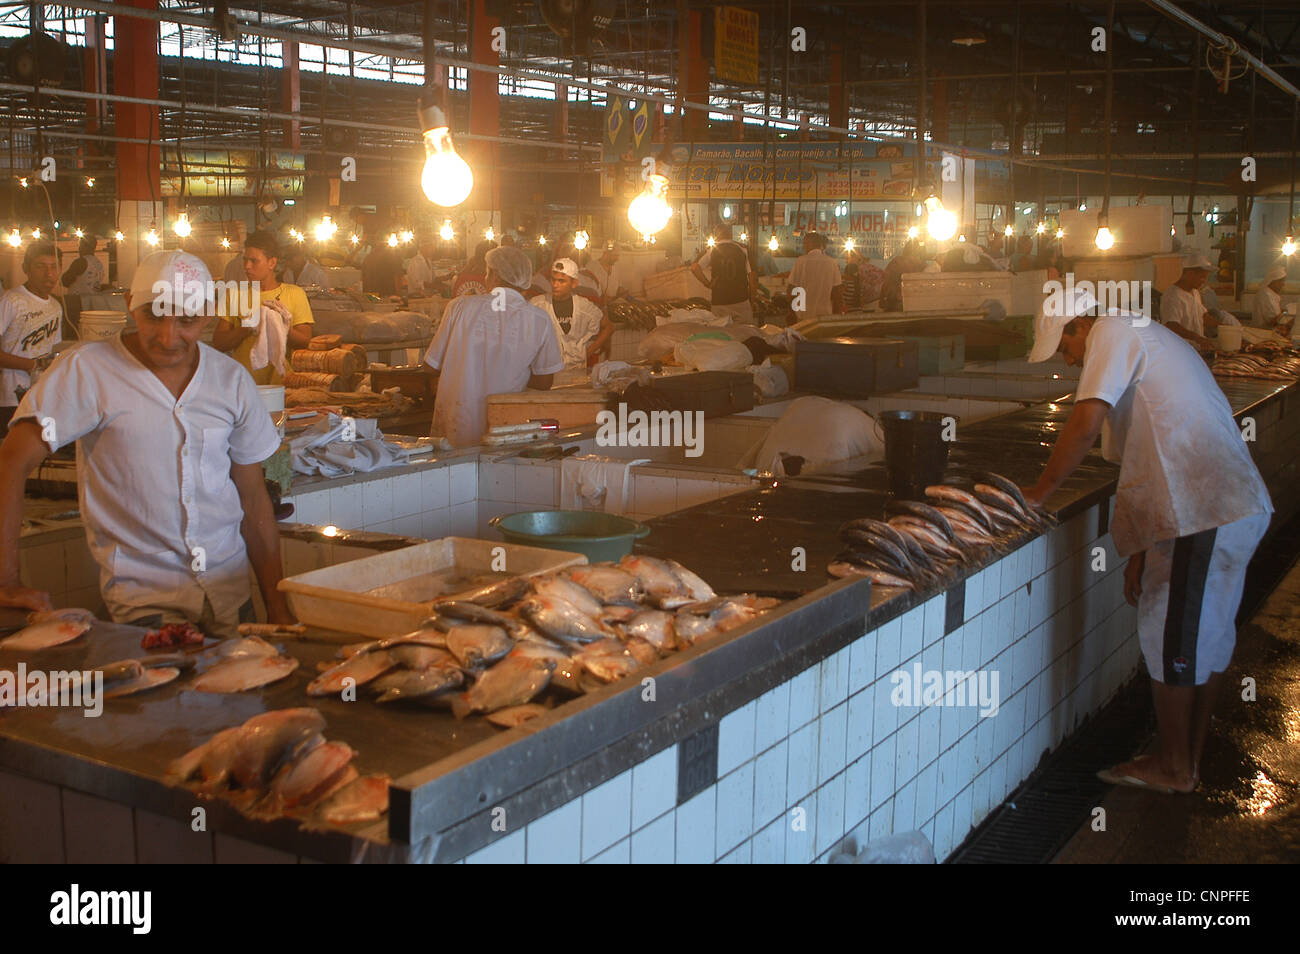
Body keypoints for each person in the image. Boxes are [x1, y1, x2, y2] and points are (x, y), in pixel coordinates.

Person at [1022, 285, 1271, 795]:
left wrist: (1038, 494)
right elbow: (1135, 467)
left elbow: (1085, 422)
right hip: (1228, 507)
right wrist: (1137, 552)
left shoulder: (1113, 332)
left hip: (1202, 512)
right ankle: (1187, 761)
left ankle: (1173, 768)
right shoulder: (1144, 338)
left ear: (1079, 327)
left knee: (1171, 639)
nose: (1069, 363)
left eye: (1065, 349)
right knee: (1204, 641)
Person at [0, 251, 294, 636]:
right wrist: (5, 581)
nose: (169, 337)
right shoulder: (88, 370)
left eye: (187, 320)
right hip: (141, 606)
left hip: (231, 599)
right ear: (130, 306)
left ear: (208, 313)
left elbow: (253, 497)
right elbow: (10, 462)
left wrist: (277, 605)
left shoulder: (230, 380)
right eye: (154, 316)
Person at [423, 245, 563, 447]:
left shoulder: (460, 307)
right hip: (504, 429)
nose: (485, 278)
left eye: (487, 273)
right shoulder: (539, 319)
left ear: (496, 276)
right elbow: (544, 382)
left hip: (456, 426)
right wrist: (511, 373)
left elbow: (431, 366)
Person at [211, 230, 315, 385]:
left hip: (282, 384)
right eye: (245, 260)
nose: (247, 266)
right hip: (244, 383)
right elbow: (218, 342)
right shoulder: (235, 295)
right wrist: (247, 328)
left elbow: (305, 341)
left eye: (254, 261)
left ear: (272, 263)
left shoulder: (294, 294)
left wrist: (283, 326)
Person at [0, 242, 62, 436]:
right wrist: (33, 365)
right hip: (12, 397)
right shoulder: (12, 301)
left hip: (43, 396)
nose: (49, 274)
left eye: (54, 266)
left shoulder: (56, 306)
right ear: (26, 268)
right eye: (40, 266)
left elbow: (53, 350)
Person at [531, 258, 611, 368]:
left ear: (574, 283)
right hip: (547, 372)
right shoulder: (538, 304)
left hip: (576, 373)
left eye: (561, 281)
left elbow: (608, 327)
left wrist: (587, 353)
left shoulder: (584, 307)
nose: (555, 285)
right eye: (553, 280)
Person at [690, 224, 758, 324]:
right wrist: (752, 300)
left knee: (721, 336)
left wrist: (707, 284)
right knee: (746, 334)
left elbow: (695, 267)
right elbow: (753, 277)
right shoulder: (743, 249)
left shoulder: (712, 249)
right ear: (731, 234)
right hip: (741, 301)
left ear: (716, 234)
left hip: (719, 302)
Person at [1159, 253, 1217, 349]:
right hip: (1180, 351)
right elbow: (1171, 325)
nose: (1204, 281)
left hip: (1196, 349)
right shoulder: (1173, 295)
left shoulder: (1195, 293)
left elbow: (1203, 316)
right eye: (1202, 277)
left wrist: (1224, 327)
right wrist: (1196, 338)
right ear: (1189, 274)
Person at [786, 232, 843, 318]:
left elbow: (792, 289)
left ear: (809, 244)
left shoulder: (801, 261)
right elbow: (837, 292)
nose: (803, 246)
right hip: (825, 313)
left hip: (803, 313)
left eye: (804, 243)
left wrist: (791, 313)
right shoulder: (832, 262)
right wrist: (837, 315)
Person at [880, 240, 925, 311]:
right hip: (900, 303)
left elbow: (886, 282)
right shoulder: (918, 265)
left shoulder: (896, 262)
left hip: (895, 303)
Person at [361, 227, 406, 297]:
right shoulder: (393, 256)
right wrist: (399, 296)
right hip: (388, 295)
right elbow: (397, 277)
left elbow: (363, 278)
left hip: (371, 296)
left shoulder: (369, 257)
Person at [1251, 265, 1291, 331]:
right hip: (1263, 334)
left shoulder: (1270, 294)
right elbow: (1273, 321)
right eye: (1281, 281)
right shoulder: (1266, 295)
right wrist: (1286, 314)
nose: (1283, 284)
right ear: (1273, 281)